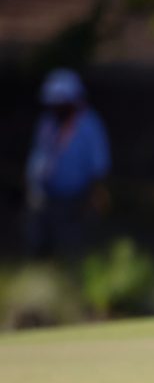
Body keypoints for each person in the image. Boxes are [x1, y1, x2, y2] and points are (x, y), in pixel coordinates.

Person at [24, 68, 112, 258]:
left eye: (60, 103)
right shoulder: (47, 123)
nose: (56, 107)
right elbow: (38, 156)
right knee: (39, 244)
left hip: (76, 200)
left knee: (72, 247)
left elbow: (99, 165)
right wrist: (33, 188)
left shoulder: (89, 125)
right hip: (47, 197)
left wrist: (95, 196)